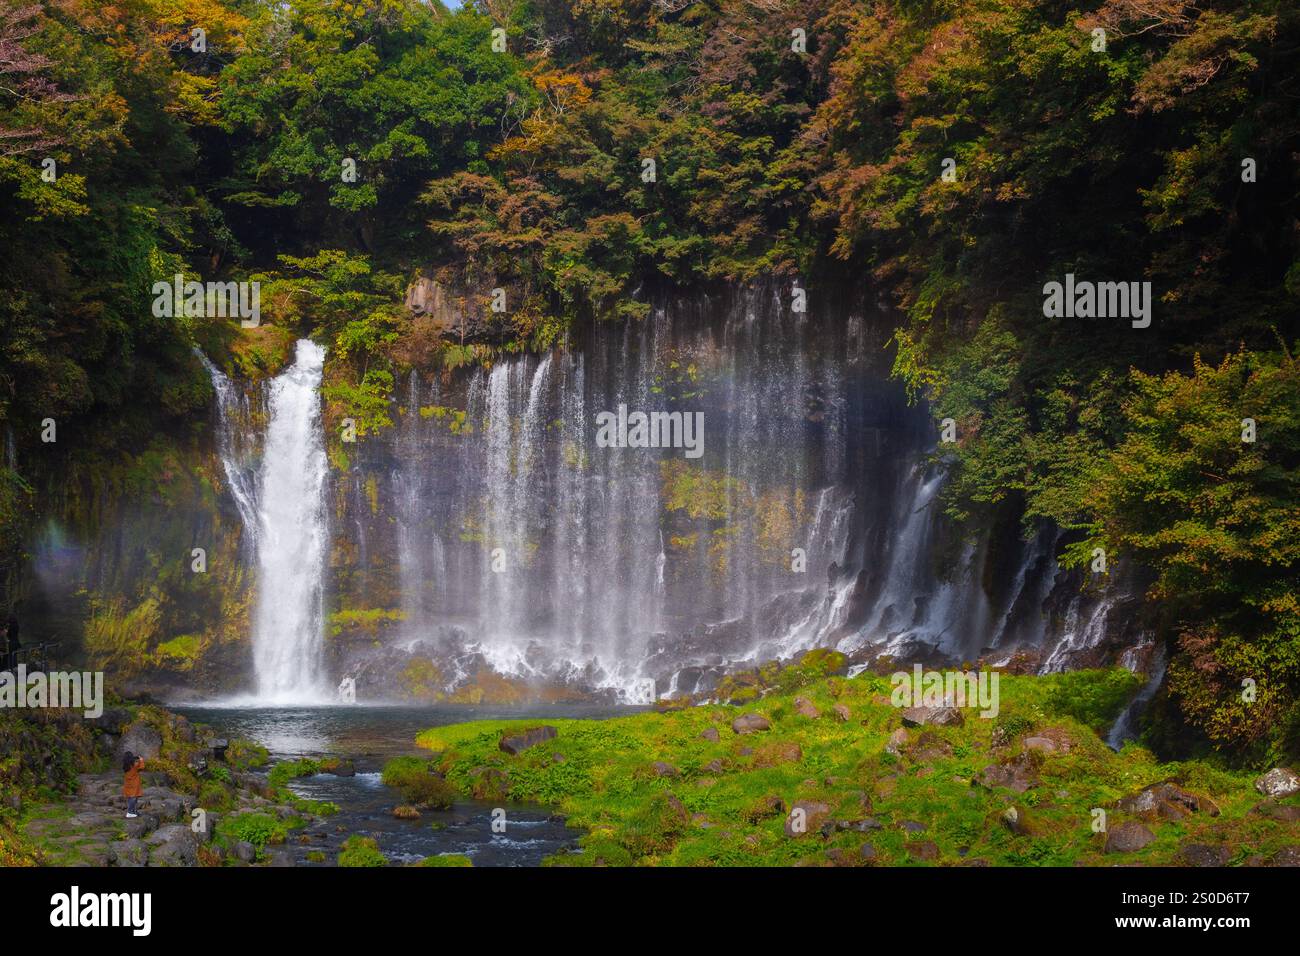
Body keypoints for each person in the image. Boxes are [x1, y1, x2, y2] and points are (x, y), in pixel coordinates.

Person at [122, 751, 144, 819]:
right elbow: (142, 767)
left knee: (130, 798)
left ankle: (134, 811)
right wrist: (141, 760)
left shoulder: (125, 765)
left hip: (128, 784)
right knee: (133, 798)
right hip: (134, 784)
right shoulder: (134, 765)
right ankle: (129, 812)